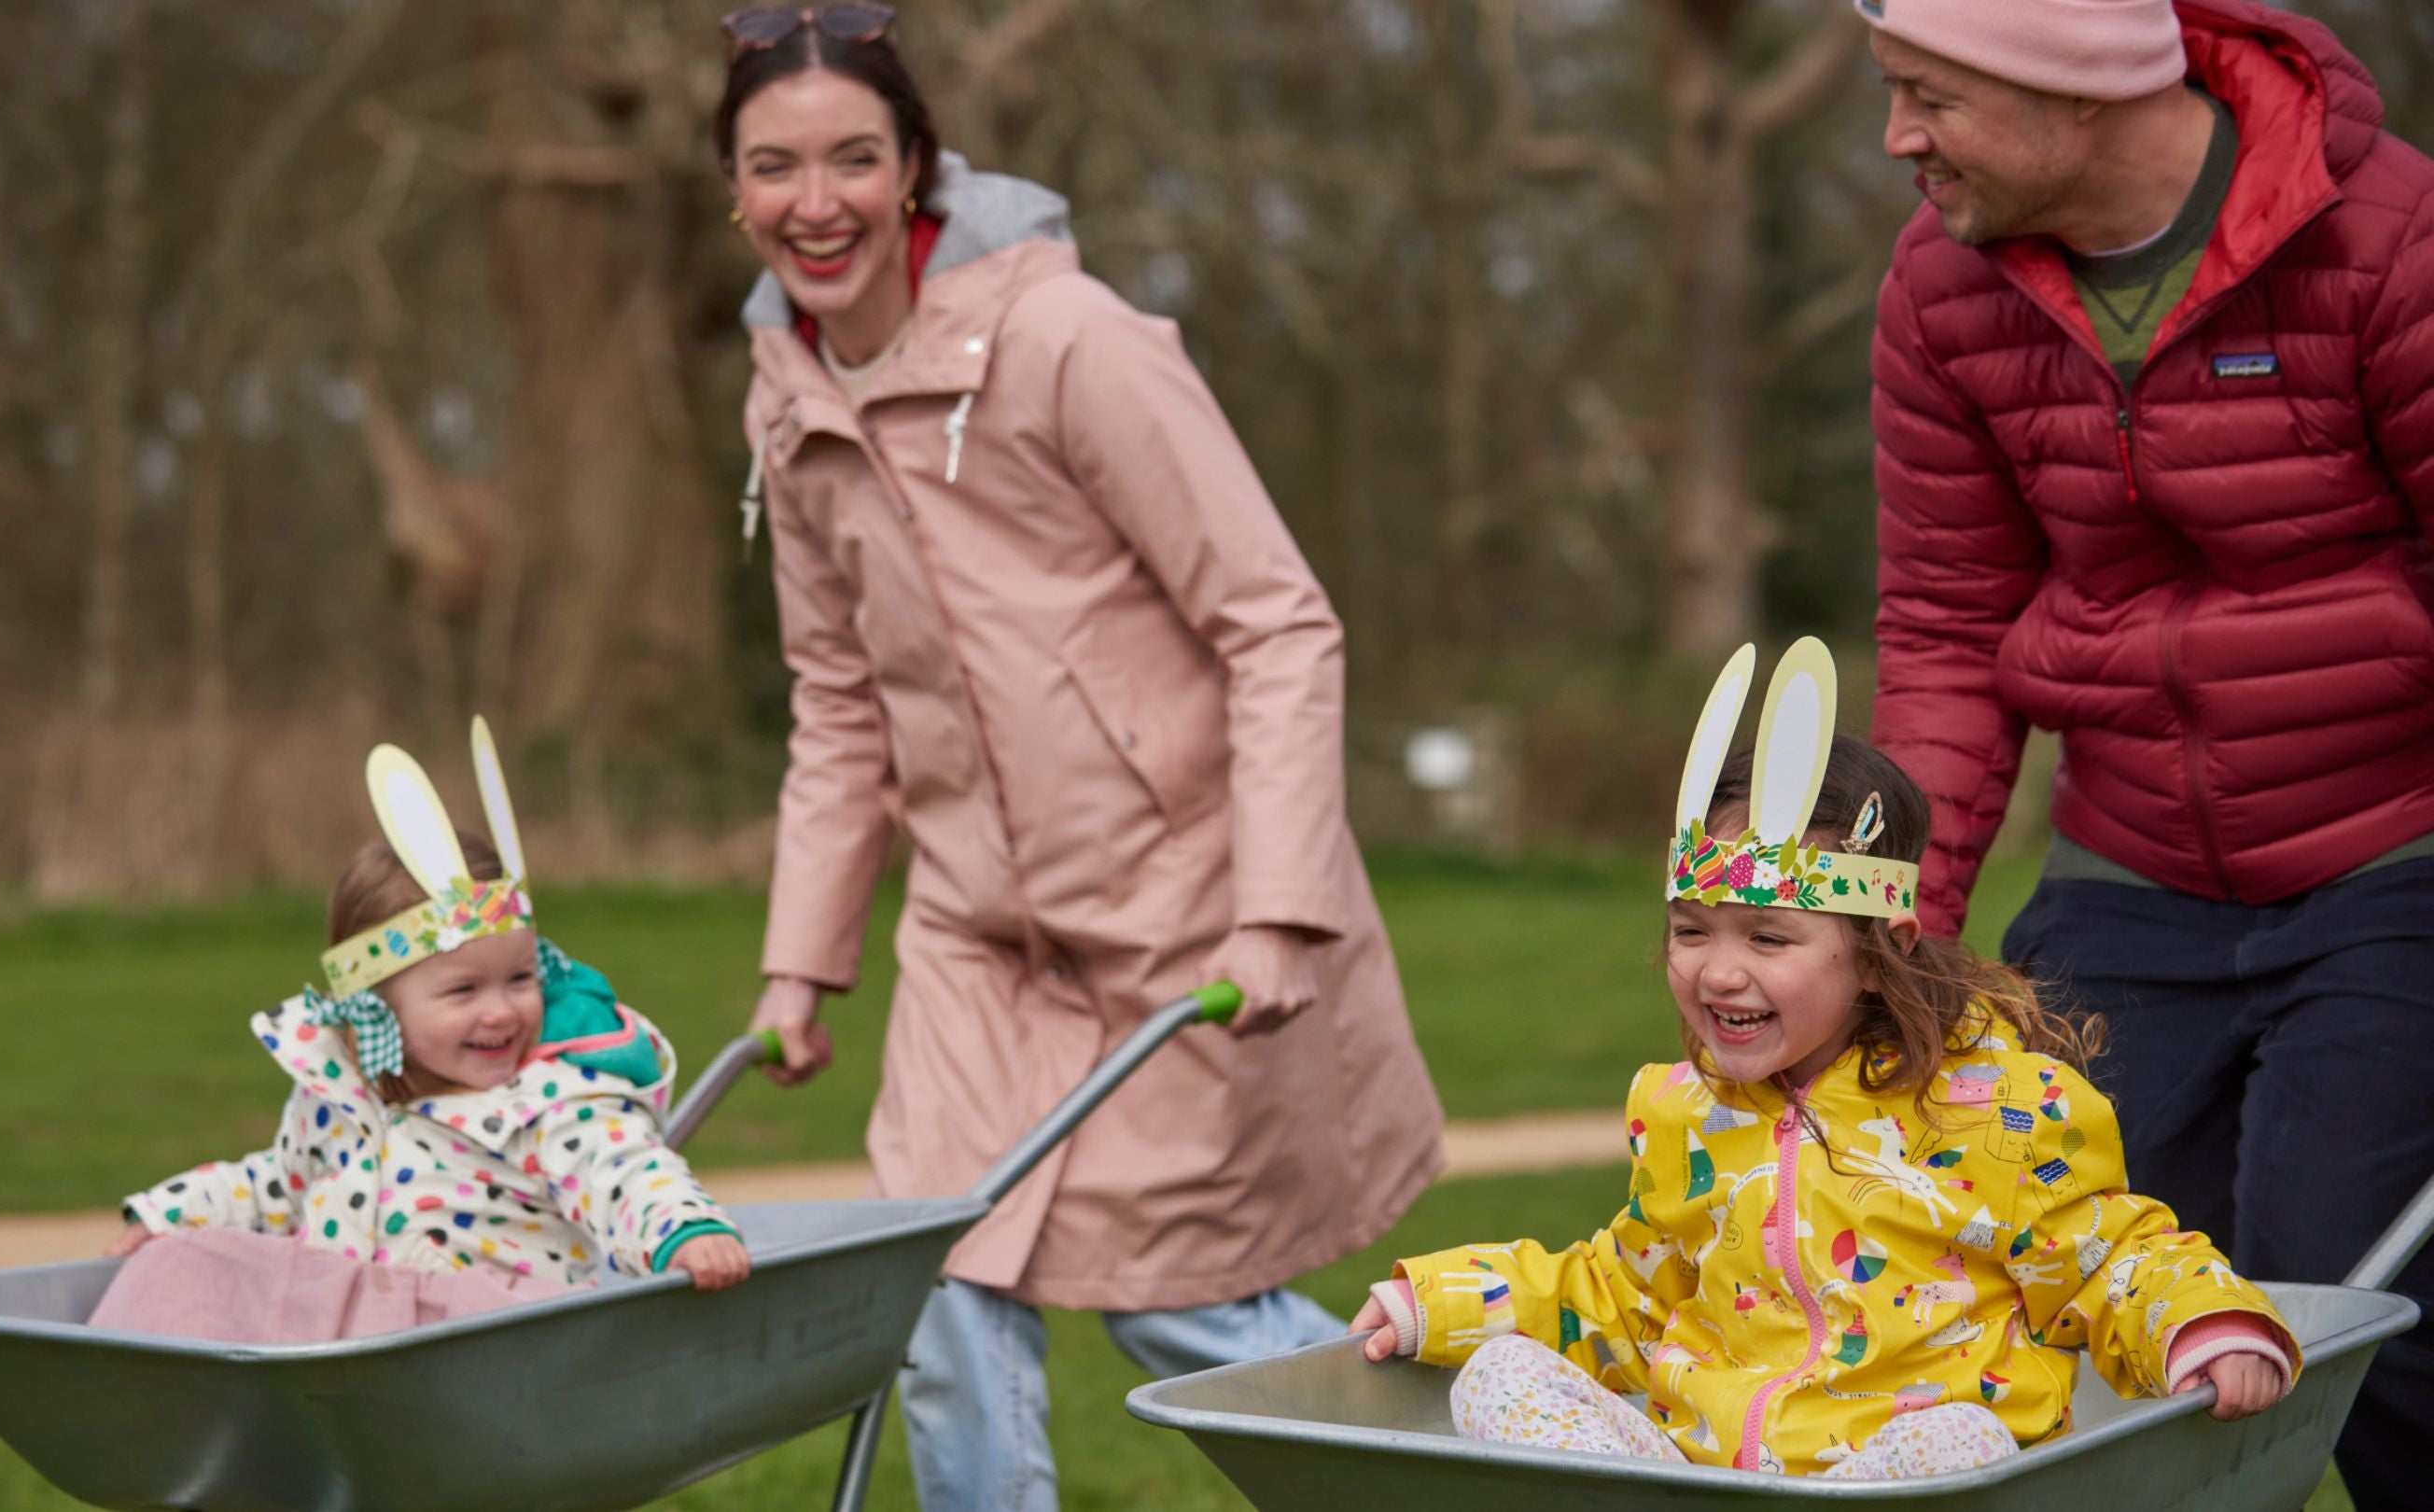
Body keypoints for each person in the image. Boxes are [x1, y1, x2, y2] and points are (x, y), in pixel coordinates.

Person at [712, 7, 1444, 1506]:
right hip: (974, 940)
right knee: (936, 1292)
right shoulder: (786, 396)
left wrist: (1282, 906)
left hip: (1182, 912)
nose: (818, 201)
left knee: (1180, 1309)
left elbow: (1278, 622)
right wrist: (802, 961)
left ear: (917, 166)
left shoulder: (1066, 339)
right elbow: (838, 698)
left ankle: (1479, 1457)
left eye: (856, 157)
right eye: (775, 167)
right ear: (734, 191)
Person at [1855, 0, 2434, 1501]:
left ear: (2082, 94)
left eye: (1931, 97)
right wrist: (1885, 938)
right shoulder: (1939, 287)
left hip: (2392, 845)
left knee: (2340, 1289)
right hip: (2129, 861)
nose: (1898, 138)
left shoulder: (2389, 240)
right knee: (2048, 1261)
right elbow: (1943, 627)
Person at [1350, 642, 2298, 1478]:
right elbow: (1623, 1293)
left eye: (1768, 939)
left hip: (1894, 1474)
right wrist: (1442, 1301)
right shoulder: (1691, 1117)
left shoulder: (1995, 1112)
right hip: (1709, 1477)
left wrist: (2201, 1324)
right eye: (1690, 931)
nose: (1718, 971)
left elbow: (2111, 1254)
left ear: (1879, 953)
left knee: (1959, 1443)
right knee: (1500, 1378)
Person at [103, 726, 748, 1340]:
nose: (500, 1012)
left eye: (520, 979)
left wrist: (683, 1230)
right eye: (464, 990)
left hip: (500, 1353)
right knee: (193, 1275)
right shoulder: (342, 1102)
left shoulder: (549, 1100)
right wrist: (173, 1214)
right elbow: (279, 1183)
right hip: (360, 1366)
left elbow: (622, 1170)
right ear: (377, 1008)